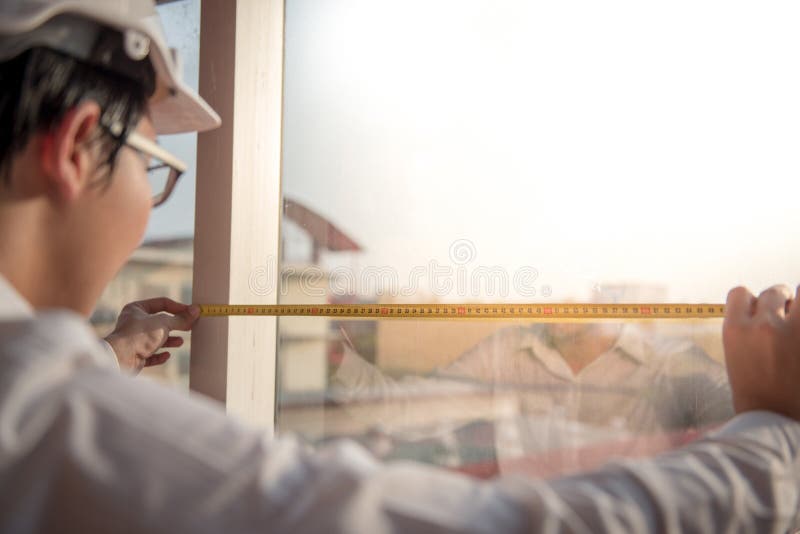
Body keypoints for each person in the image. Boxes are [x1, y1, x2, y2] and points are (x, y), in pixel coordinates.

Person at [0, 1, 798, 532]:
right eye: (154, 165)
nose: (150, 201)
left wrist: (108, 354)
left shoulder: (669, 373)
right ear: (73, 150)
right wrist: (774, 435)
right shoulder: (56, 418)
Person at [330, 320, 733, 477]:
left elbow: (756, 444)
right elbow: (408, 409)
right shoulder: (506, 351)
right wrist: (337, 358)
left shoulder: (676, 364)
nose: (555, 292)